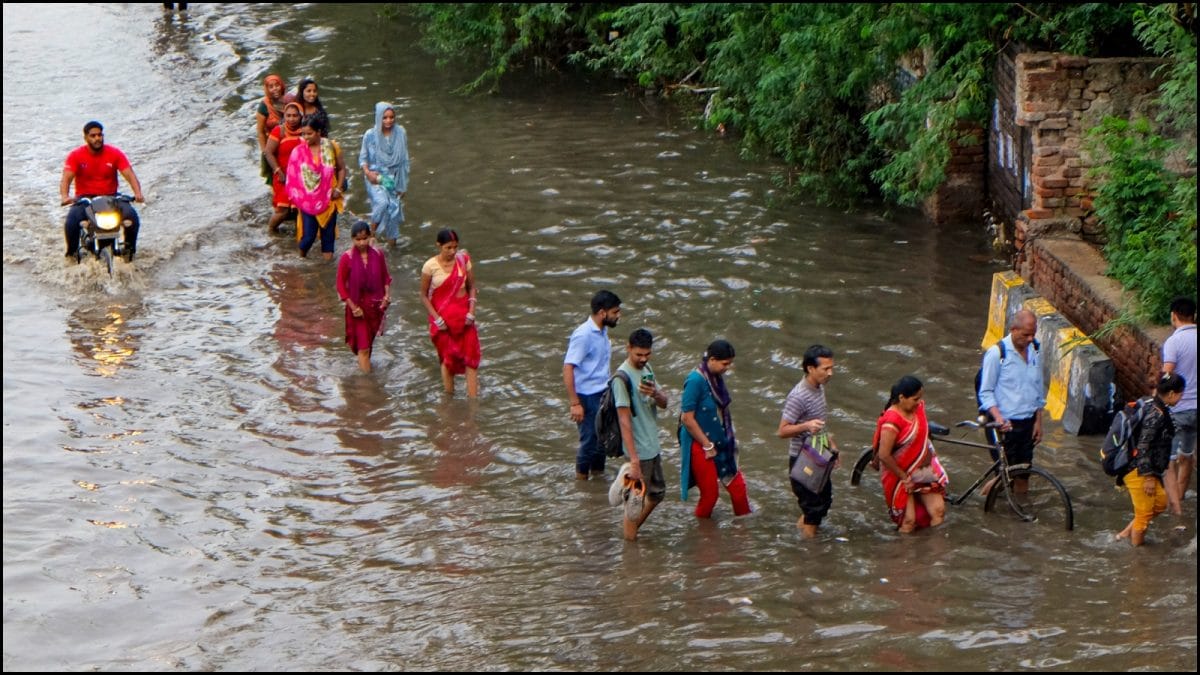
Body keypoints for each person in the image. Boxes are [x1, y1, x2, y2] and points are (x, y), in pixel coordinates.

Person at [679, 339, 751, 518]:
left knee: (738, 488)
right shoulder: (695, 381)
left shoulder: (715, 379)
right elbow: (687, 418)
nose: (727, 368)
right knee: (710, 495)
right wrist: (707, 445)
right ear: (711, 360)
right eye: (725, 363)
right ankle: (704, 534)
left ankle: (743, 530)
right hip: (700, 443)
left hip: (719, 440)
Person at [977, 309, 1045, 493]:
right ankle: (985, 503)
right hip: (1005, 425)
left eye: (1033, 334)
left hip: (1028, 423)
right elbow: (986, 392)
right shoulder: (997, 354)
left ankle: (1022, 513)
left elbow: (1037, 388)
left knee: (1023, 474)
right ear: (1013, 329)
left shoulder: (1035, 350)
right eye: (1026, 334)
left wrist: (1038, 421)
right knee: (1004, 475)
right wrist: (999, 418)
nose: (1030, 339)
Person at [872, 375, 949, 533]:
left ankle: (934, 553)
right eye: (915, 399)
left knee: (938, 511)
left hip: (921, 466)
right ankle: (902, 554)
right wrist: (904, 477)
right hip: (899, 473)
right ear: (902, 398)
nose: (919, 403)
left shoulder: (917, 408)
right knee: (908, 521)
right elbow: (885, 455)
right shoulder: (892, 421)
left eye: (920, 398)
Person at [1117, 373, 1186, 546]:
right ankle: (1138, 559)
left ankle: (1124, 535)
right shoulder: (1156, 414)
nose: (1181, 397)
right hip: (1137, 469)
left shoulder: (1157, 407)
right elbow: (1144, 445)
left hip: (1151, 469)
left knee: (1160, 503)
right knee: (1143, 516)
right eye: (1180, 393)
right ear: (1171, 394)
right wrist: (1147, 476)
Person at [60, 120, 146, 261]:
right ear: (86, 138)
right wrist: (65, 196)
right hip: (85, 199)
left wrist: (138, 193)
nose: (97, 138)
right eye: (93, 136)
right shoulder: (75, 156)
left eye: (100, 135)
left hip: (111, 198)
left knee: (132, 218)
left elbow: (129, 174)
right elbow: (66, 178)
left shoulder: (114, 153)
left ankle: (129, 254)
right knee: (71, 222)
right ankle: (72, 256)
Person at [613, 328, 669, 541]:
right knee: (634, 502)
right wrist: (634, 460)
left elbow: (664, 403)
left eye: (647, 354)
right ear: (628, 349)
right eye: (639, 355)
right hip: (638, 450)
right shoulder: (622, 379)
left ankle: (631, 534)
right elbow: (624, 419)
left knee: (657, 494)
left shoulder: (647, 369)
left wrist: (655, 392)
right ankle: (630, 546)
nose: (643, 359)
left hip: (652, 444)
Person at [778, 344, 838, 538]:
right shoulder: (798, 396)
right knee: (813, 509)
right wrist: (805, 426)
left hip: (819, 453)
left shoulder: (819, 388)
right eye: (825, 369)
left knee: (824, 502)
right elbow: (782, 430)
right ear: (811, 369)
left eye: (832, 368)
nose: (830, 373)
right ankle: (810, 555)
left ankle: (802, 534)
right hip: (802, 460)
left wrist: (832, 447)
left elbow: (820, 423)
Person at [563, 290, 621, 480]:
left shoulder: (602, 331)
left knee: (602, 442)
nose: (618, 316)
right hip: (587, 397)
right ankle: (581, 482)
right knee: (588, 441)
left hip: (603, 392)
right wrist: (575, 403)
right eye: (615, 312)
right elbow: (568, 367)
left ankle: (597, 480)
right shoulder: (584, 335)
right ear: (602, 313)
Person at [419, 228, 481, 397]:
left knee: (471, 359)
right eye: (448, 248)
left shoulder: (463, 261)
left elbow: (472, 287)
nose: (452, 252)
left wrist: (471, 311)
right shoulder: (430, 266)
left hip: (464, 320)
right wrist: (437, 319)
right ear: (439, 245)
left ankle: (473, 402)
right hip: (443, 323)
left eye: (455, 247)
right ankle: (449, 399)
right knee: (448, 360)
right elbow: (423, 296)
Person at [286, 113, 346, 260]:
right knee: (309, 237)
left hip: (329, 198)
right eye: (303, 134)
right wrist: (296, 199)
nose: (306, 138)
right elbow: (293, 177)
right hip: (307, 201)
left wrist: (338, 188)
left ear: (319, 132)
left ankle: (327, 272)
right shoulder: (298, 152)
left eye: (310, 133)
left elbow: (341, 169)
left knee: (328, 237)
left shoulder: (331, 147)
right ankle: (301, 258)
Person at [337, 221, 392, 373]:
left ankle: (365, 372)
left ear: (369, 237)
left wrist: (387, 295)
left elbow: (385, 278)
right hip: (358, 310)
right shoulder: (346, 259)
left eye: (364, 238)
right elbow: (341, 287)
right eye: (358, 239)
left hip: (375, 308)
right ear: (352, 239)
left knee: (368, 345)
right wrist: (353, 307)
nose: (361, 243)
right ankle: (367, 386)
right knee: (364, 348)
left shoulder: (378, 255)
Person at [1161, 297, 1196, 514]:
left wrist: (1157, 399)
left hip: (1178, 408)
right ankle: (1181, 496)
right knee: (1188, 454)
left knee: (1170, 460)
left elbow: (1167, 372)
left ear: (1174, 315)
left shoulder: (1174, 342)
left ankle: (1174, 506)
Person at [359, 102, 410, 246]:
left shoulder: (400, 133)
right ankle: (371, 233)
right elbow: (363, 158)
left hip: (394, 178)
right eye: (384, 117)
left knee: (393, 213)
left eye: (391, 117)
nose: (388, 121)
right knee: (382, 203)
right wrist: (368, 173)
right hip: (375, 177)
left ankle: (392, 251)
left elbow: (404, 160)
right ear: (378, 118)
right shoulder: (370, 135)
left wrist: (402, 185)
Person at [263, 101, 304, 233]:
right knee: (283, 211)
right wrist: (278, 171)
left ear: (301, 116)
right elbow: (268, 152)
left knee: (300, 209)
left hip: (300, 176)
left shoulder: (305, 131)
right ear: (284, 116)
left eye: (295, 116)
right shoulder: (279, 131)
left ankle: (297, 237)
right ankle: (270, 230)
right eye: (288, 116)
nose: (291, 119)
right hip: (283, 176)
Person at [255, 74, 293, 186]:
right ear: (267, 89)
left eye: (277, 85)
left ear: (281, 85)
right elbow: (261, 132)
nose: (275, 89)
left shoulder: (289, 101)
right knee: (277, 177)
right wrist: (265, 152)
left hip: (288, 142)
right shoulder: (264, 106)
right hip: (272, 146)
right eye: (271, 87)